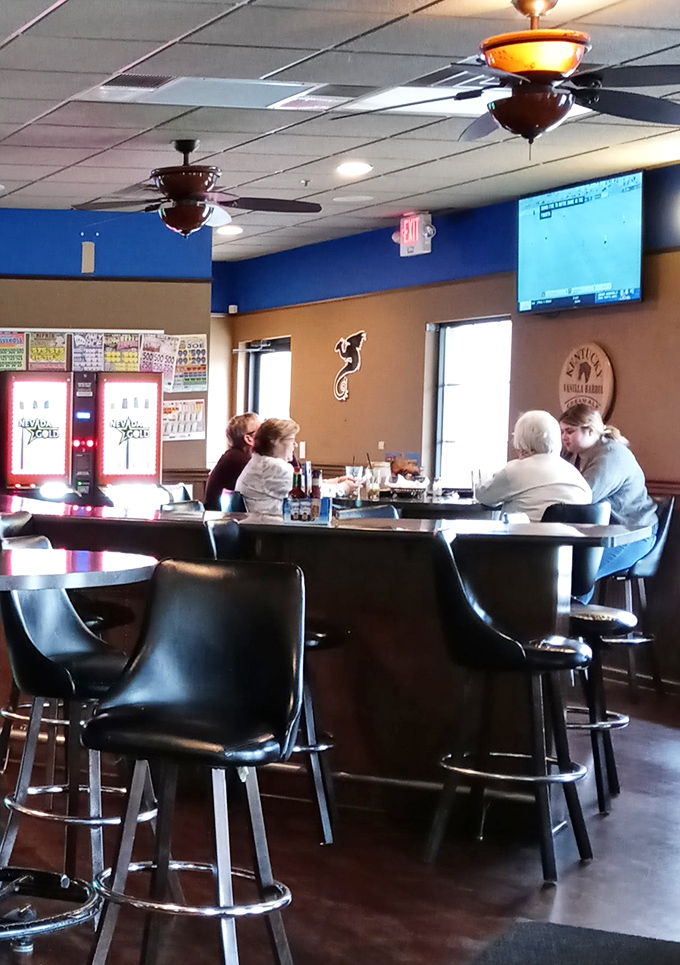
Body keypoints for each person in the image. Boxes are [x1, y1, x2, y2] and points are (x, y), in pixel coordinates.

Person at [559, 404, 658, 586]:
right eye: (562, 432)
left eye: (570, 431)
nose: (564, 437)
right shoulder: (575, 455)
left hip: (633, 533)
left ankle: (574, 613)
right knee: (565, 568)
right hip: (605, 533)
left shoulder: (610, 456)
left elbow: (582, 498)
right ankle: (569, 611)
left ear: (589, 431)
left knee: (578, 572)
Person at [475, 410, 592, 522]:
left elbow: (484, 496)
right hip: (572, 541)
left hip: (524, 540)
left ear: (520, 439)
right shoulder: (575, 475)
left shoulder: (514, 471)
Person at [236, 418, 358, 517]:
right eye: (292, 440)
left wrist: (334, 481)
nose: (295, 445)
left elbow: (302, 484)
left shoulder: (259, 463)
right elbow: (312, 493)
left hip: (263, 528)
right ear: (275, 442)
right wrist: (344, 488)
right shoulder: (274, 467)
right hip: (274, 533)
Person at [204, 412, 260, 510]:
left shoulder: (233, 457)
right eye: (261, 431)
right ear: (249, 439)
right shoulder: (239, 461)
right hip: (224, 521)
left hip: (225, 519)